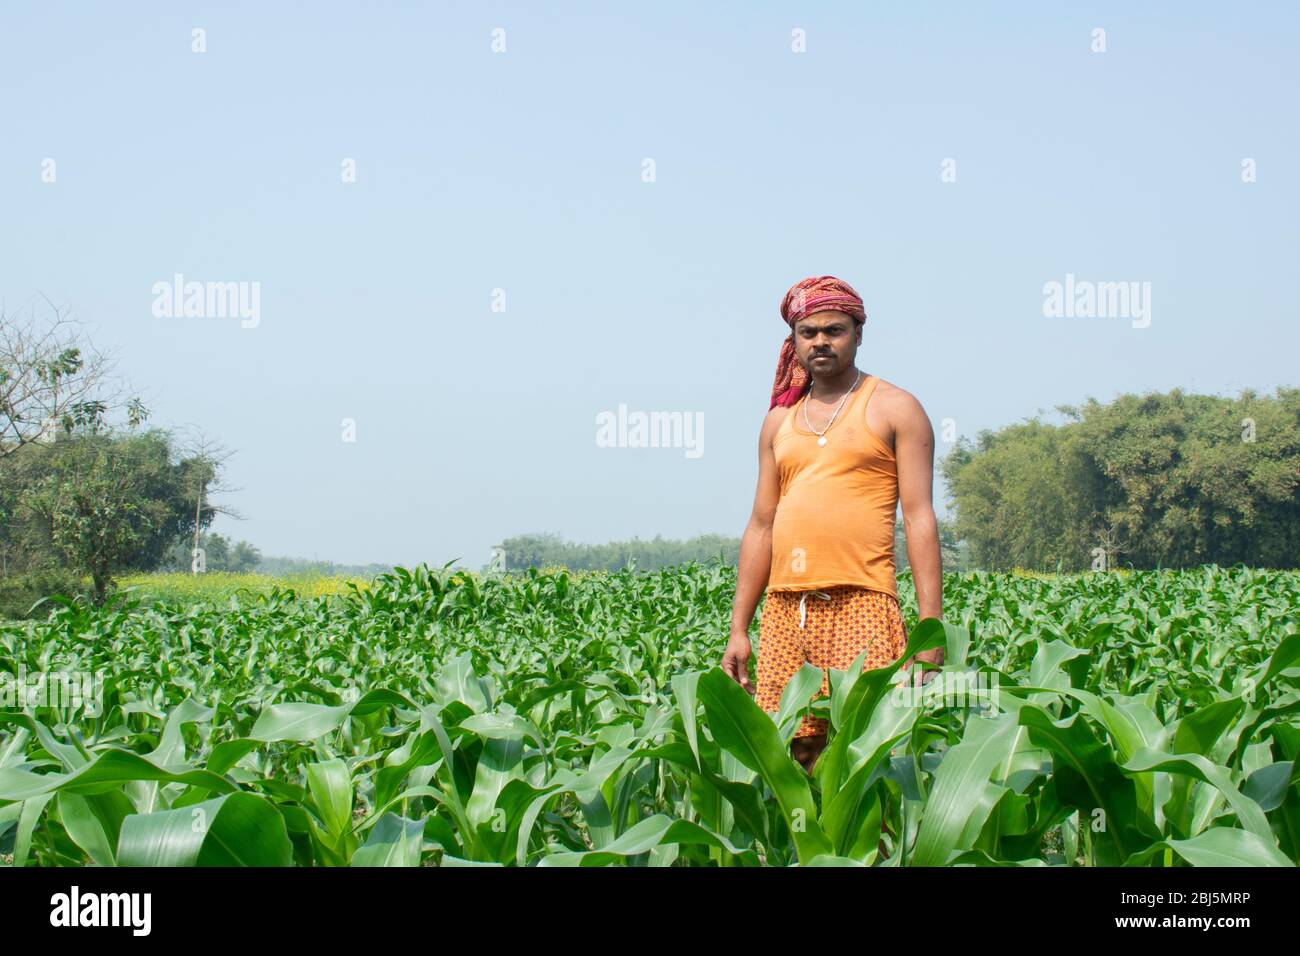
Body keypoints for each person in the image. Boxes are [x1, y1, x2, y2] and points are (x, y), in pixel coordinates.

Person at [722, 275, 944, 776]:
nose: (820, 341)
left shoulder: (894, 407)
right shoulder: (779, 422)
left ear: (859, 333)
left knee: (864, 753)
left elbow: (919, 518)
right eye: (808, 331)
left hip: (862, 600)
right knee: (791, 752)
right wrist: (739, 628)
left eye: (834, 330)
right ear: (794, 340)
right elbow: (761, 525)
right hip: (785, 608)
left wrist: (931, 631)